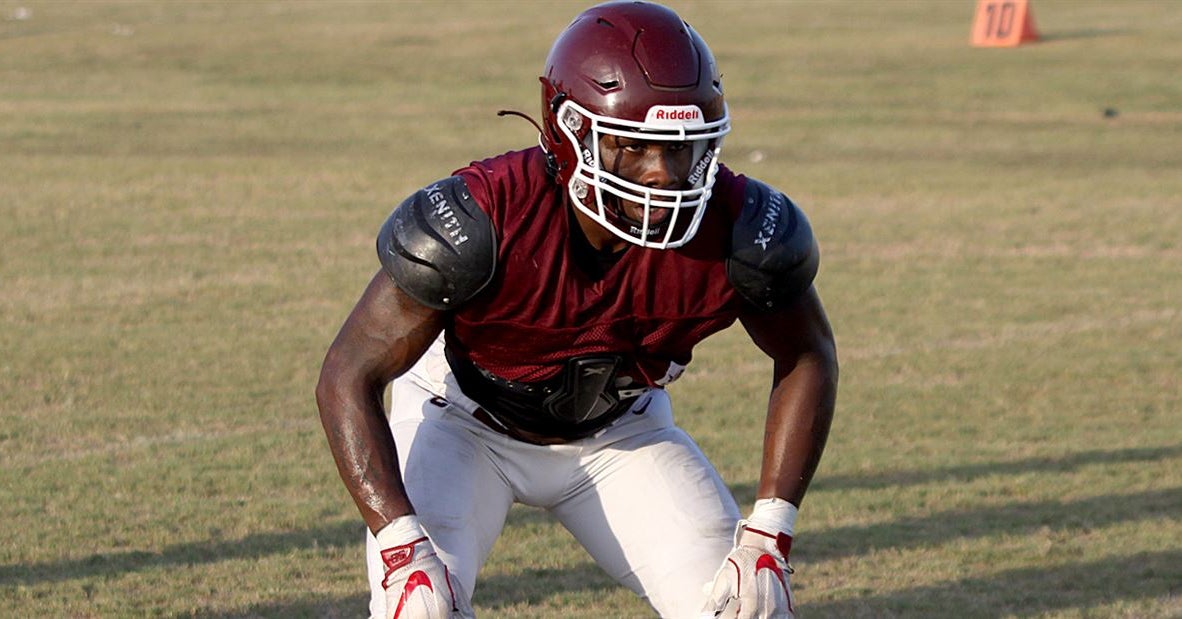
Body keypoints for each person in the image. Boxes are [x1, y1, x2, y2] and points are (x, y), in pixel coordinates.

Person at [315, 2, 838, 617]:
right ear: (571, 133)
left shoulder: (740, 228)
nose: (665, 175)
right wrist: (402, 546)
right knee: (421, 609)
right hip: (463, 423)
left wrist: (770, 528)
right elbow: (347, 372)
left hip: (621, 432)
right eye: (635, 145)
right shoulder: (484, 217)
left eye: (683, 147)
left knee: (744, 605)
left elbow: (808, 353)